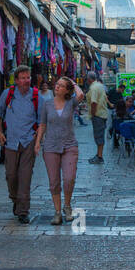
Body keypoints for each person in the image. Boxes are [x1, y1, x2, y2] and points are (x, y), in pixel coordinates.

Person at [0, 65, 41, 224]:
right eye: (23, 78)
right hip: (11, 142)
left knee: (25, 176)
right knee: (11, 175)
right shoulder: (7, 94)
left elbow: (42, 122)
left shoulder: (36, 96)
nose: (26, 80)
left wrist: (38, 140)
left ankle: (23, 211)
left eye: (28, 77)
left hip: (28, 141)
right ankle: (15, 199)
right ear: (16, 80)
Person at [36, 76, 81, 225]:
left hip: (69, 145)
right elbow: (42, 124)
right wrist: (37, 143)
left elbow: (81, 95)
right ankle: (57, 212)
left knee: (69, 178)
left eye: (61, 86)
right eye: (57, 84)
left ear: (67, 90)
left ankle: (67, 206)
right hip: (51, 146)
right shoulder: (47, 104)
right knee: (54, 181)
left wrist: (72, 82)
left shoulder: (71, 103)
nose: (57, 87)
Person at [87, 74, 110, 165]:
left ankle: (100, 156)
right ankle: (98, 154)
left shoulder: (94, 88)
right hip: (102, 114)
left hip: (98, 114)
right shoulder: (100, 86)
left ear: (89, 79)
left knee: (98, 135)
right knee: (99, 135)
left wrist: (93, 113)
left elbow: (93, 102)